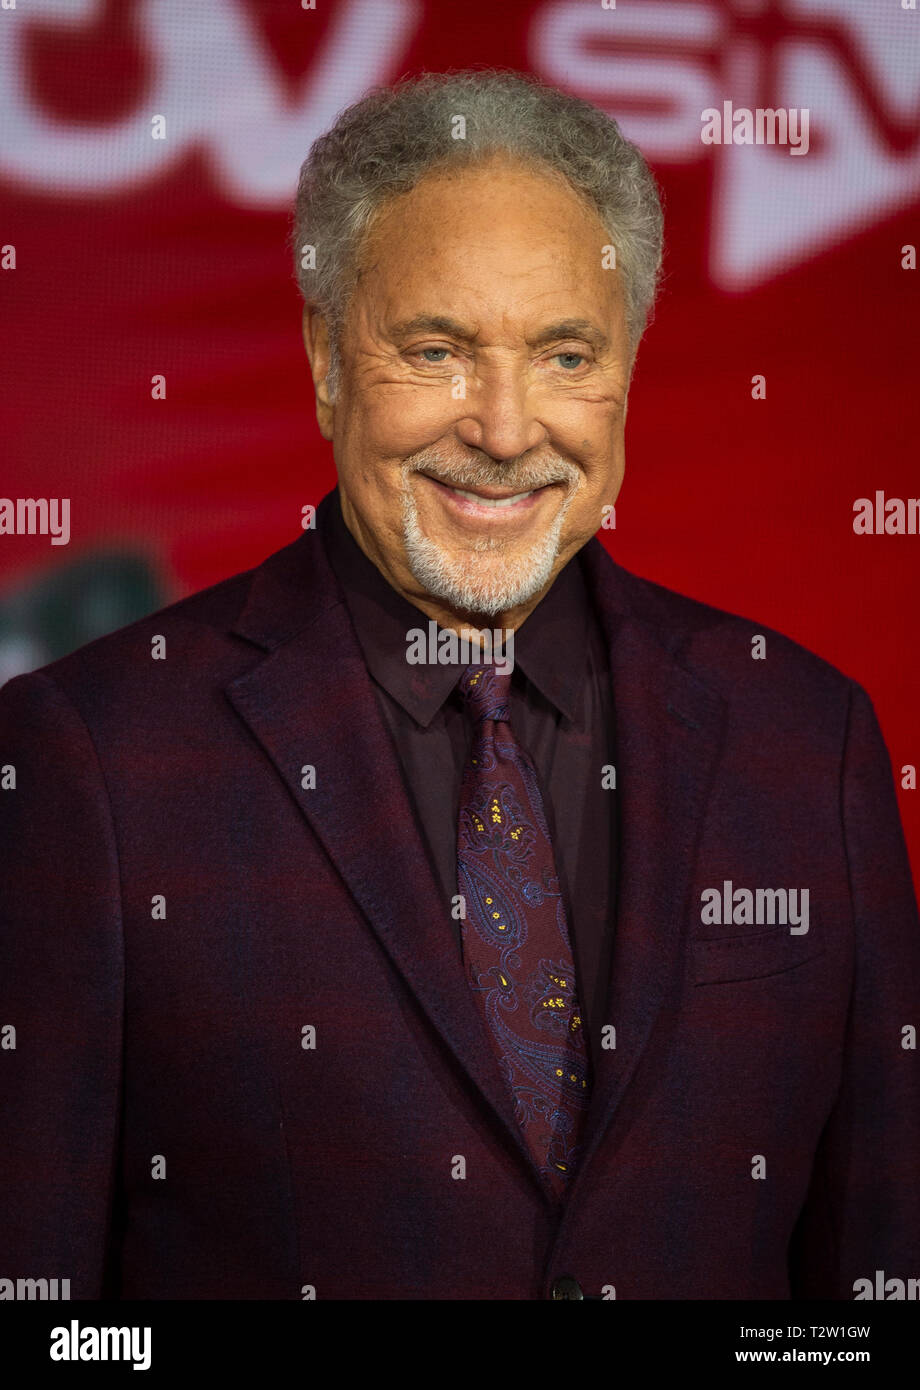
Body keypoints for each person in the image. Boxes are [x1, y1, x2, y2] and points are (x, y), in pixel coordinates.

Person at [2, 70, 918, 1302]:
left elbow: (871, 1290)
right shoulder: (91, 757)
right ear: (327, 358)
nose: (500, 427)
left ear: (628, 367)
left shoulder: (807, 743)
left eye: (561, 353)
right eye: (434, 349)